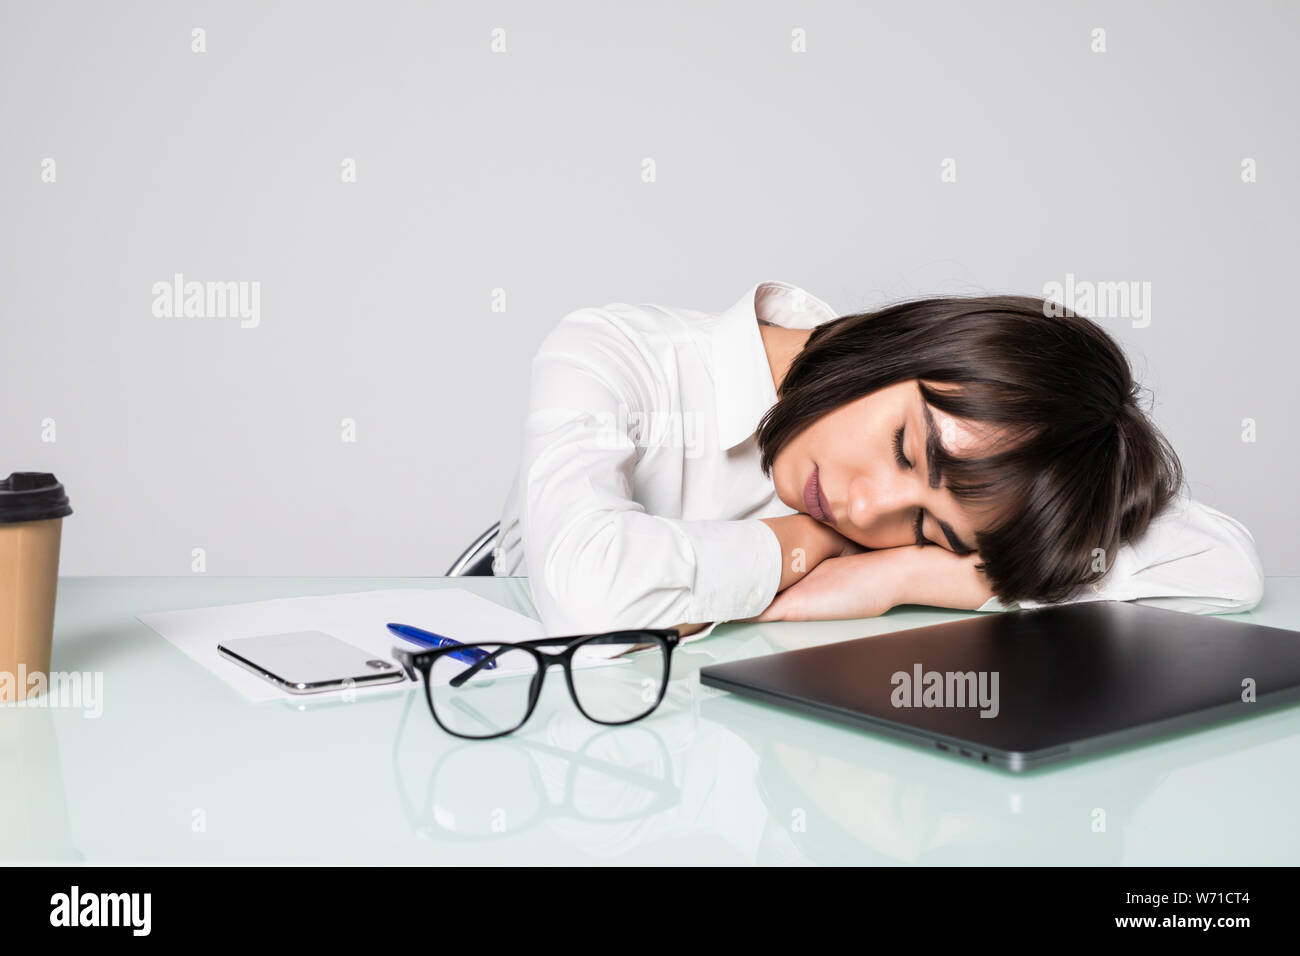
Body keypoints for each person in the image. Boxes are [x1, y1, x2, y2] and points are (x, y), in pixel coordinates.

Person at [491, 281, 1264, 639]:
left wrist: (911, 576)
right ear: (903, 345)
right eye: (906, 447)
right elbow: (586, 592)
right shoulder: (616, 353)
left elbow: (1222, 570)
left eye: (926, 529)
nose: (865, 510)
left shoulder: (903, 543)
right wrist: (804, 545)